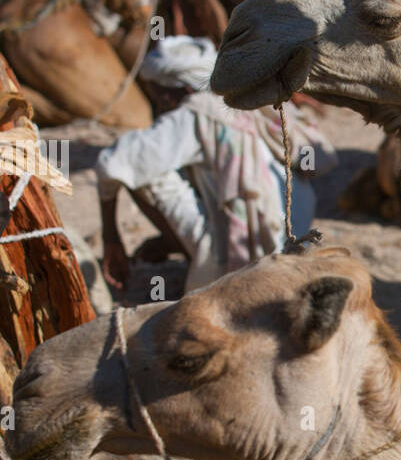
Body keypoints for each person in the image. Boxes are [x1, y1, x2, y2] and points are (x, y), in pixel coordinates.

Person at [96, 36, 334, 294]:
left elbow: (112, 163)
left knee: (140, 171)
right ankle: (182, 246)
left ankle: (208, 261)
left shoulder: (198, 111)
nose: (160, 106)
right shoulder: (248, 97)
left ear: (175, 91)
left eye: (159, 97)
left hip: (250, 254)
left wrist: (111, 239)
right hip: (294, 242)